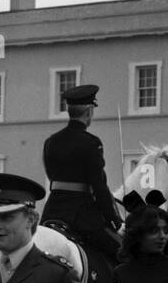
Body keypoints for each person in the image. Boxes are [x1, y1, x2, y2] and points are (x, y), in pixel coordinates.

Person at [41, 84, 121, 261]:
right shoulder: (91, 143)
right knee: (123, 251)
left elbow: (50, 176)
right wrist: (115, 221)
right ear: (89, 111)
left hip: (51, 211)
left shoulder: (50, 142)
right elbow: (99, 187)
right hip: (80, 215)